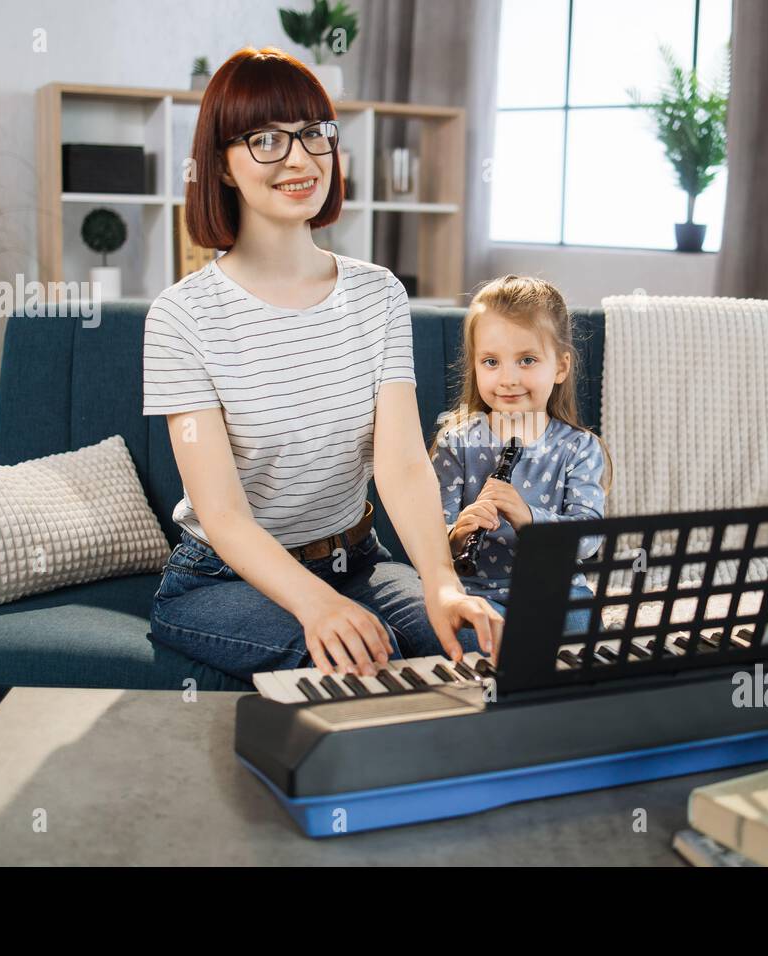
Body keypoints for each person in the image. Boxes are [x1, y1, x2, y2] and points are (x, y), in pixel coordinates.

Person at [143, 47, 501, 682]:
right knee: (359, 662)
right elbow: (223, 516)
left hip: (357, 559)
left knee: (482, 644)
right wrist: (316, 604)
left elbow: (400, 463)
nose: (300, 158)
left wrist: (442, 584)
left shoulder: (379, 294)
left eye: (314, 133)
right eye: (265, 140)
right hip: (219, 579)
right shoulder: (182, 316)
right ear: (222, 166)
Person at [429, 275, 613, 643]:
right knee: (458, 638)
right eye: (491, 361)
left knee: (582, 641)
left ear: (560, 367)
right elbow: (430, 533)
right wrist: (457, 531)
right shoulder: (457, 442)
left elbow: (588, 540)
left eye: (527, 360)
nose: (508, 378)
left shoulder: (578, 448)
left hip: (557, 594)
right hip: (475, 592)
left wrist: (529, 518)